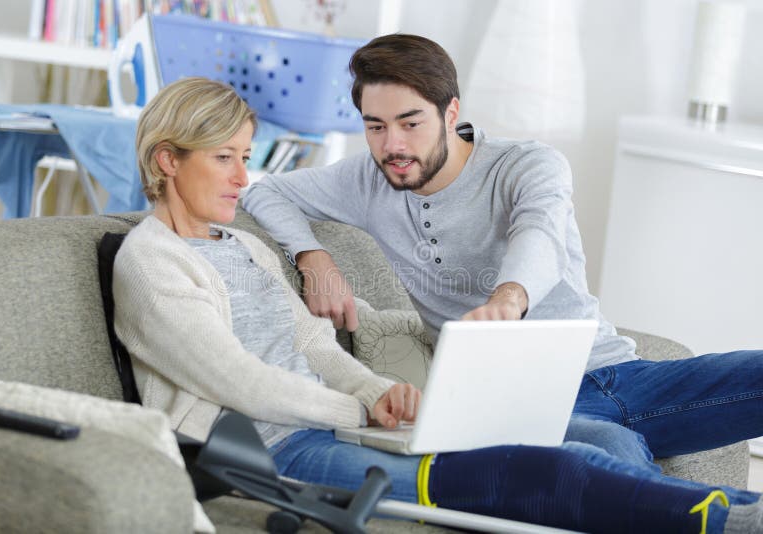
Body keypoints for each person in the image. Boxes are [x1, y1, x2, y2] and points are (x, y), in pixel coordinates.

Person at [111, 76, 763, 533]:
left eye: (245, 158)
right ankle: (724, 517)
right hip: (270, 448)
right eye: (224, 159)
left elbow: (310, 343)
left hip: (334, 421)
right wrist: (362, 407)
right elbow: (239, 382)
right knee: (536, 472)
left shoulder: (243, 248)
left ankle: (734, 512)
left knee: (596, 439)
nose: (242, 178)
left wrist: (379, 389)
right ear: (168, 159)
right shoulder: (149, 261)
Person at [243, 33, 763, 472]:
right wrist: (313, 256)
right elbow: (263, 191)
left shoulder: (527, 166)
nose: (392, 146)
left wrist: (508, 299)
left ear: (451, 112)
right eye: (375, 127)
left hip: (613, 372)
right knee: (611, 452)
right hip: (513, 398)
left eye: (410, 122)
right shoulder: (365, 180)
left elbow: (540, 234)